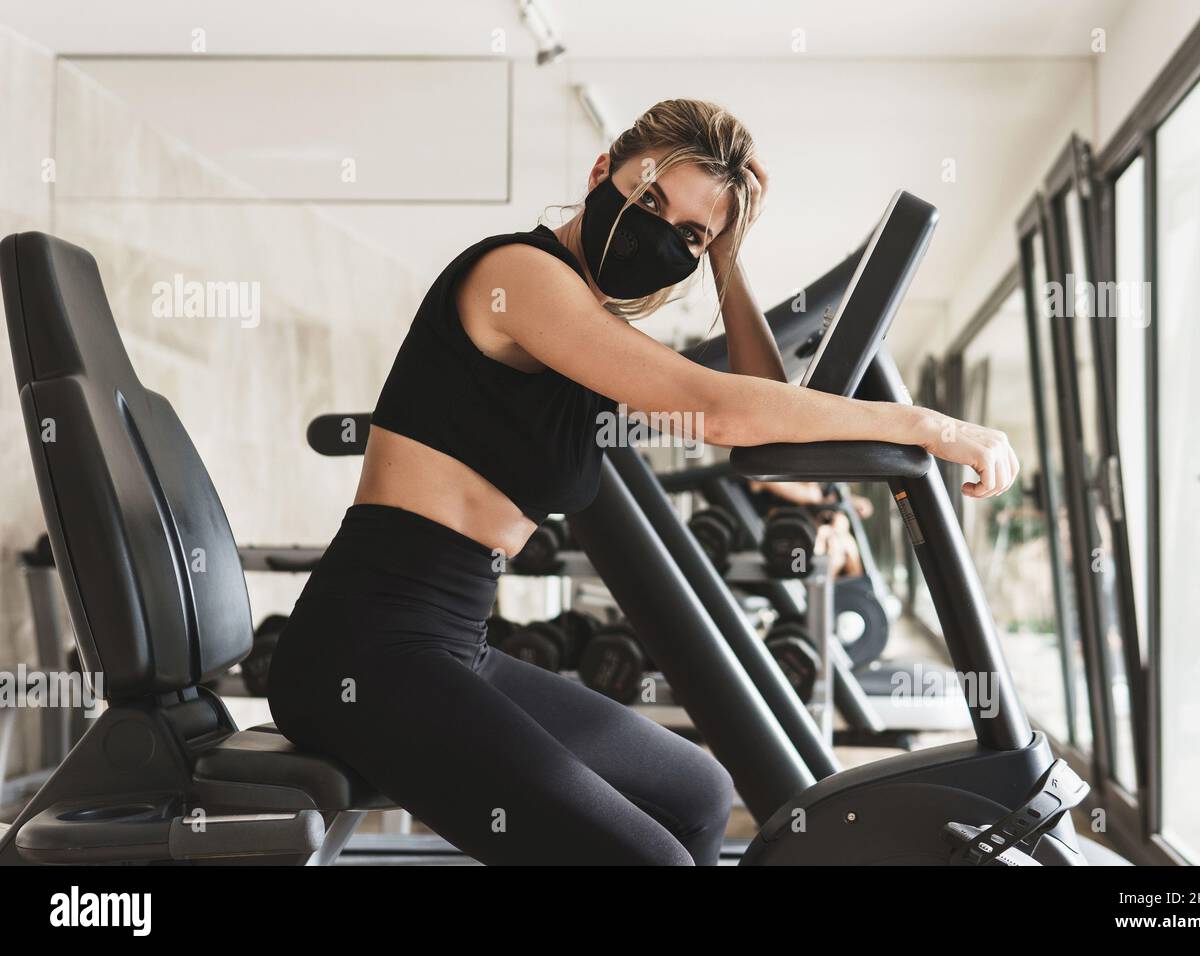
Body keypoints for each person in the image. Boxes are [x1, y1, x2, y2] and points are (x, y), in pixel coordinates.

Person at [267, 98, 1019, 865]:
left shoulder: (590, 330)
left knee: (697, 793)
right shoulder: (519, 276)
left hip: (457, 642)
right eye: (650, 197)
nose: (662, 232)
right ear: (602, 173)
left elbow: (762, 410)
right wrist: (930, 426)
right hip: (364, 650)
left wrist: (727, 256)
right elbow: (718, 411)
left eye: (689, 233)